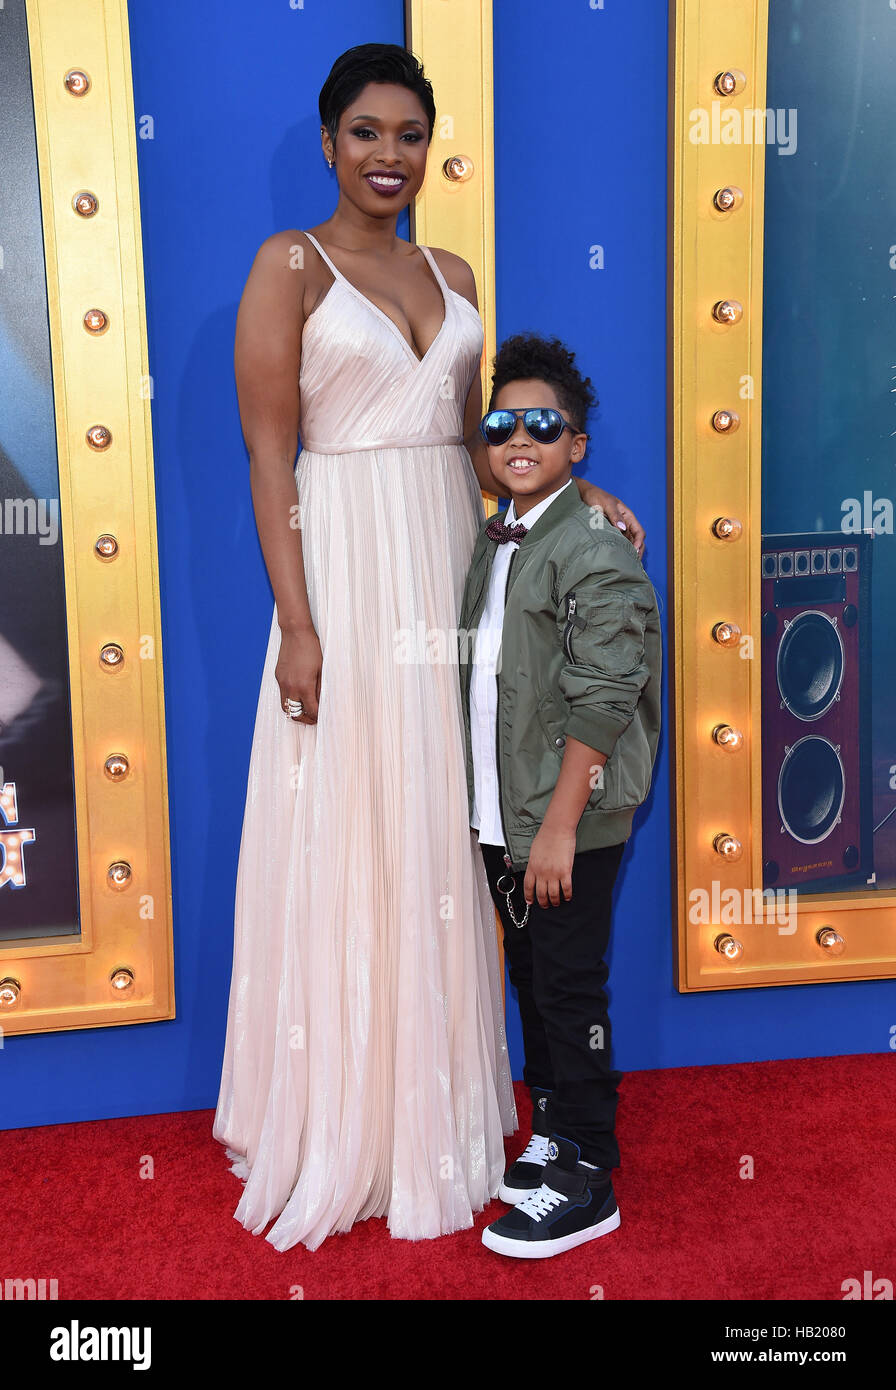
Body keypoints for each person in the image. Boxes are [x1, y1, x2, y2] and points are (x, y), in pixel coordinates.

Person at [213, 42, 647, 1253]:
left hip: (453, 574)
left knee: (453, 826)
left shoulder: (453, 270)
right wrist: (298, 624)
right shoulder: (285, 267)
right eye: (364, 132)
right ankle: (348, 1115)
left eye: (408, 133)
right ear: (326, 141)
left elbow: (479, 446)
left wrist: (574, 492)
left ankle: (453, 1114)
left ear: (428, 142)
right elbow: (266, 455)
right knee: (353, 820)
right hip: (344, 567)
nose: (387, 155)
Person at [457, 332, 661, 1258]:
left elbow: (605, 693)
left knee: (571, 986)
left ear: (577, 443)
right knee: (534, 980)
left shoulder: (592, 548)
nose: (520, 436)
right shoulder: (503, 537)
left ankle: (588, 1170)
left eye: (545, 423)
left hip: (567, 821)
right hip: (512, 816)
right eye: (503, 424)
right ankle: (552, 1130)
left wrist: (560, 830)